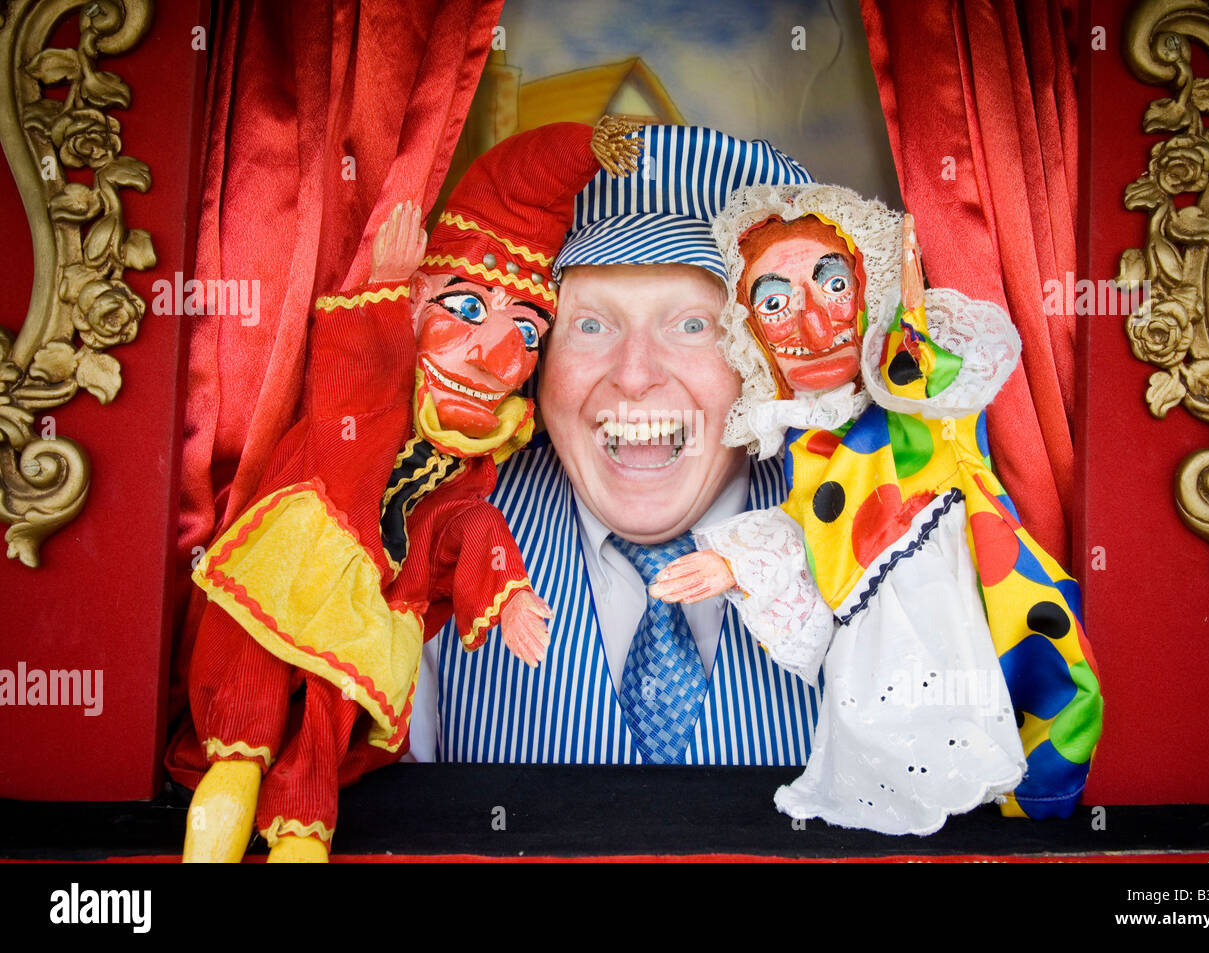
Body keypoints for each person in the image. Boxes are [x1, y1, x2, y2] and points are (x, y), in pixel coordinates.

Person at [167, 120, 634, 860]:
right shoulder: (383, 392)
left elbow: (462, 529)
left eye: (528, 330)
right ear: (418, 305)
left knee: (318, 746)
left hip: (367, 616)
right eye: (469, 308)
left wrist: (503, 591)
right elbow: (350, 392)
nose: (497, 355)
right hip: (295, 563)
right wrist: (380, 292)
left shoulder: (474, 462)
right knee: (243, 727)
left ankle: (298, 834)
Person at [654, 182, 1102, 832]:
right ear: (753, 337)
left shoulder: (912, 399)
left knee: (967, 698)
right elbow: (814, 521)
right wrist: (738, 566)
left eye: (834, 283)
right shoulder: (809, 440)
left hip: (952, 579)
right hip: (871, 623)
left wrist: (910, 318)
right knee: (880, 718)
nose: (812, 323)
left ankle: (1016, 801)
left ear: (874, 285)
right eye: (775, 302)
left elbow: (921, 386)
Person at [408, 126, 825, 764]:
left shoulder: (853, 514)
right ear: (538, 364)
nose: (634, 374)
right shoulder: (433, 529)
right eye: (591, 324)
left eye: (692, 325)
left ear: (761, 362)